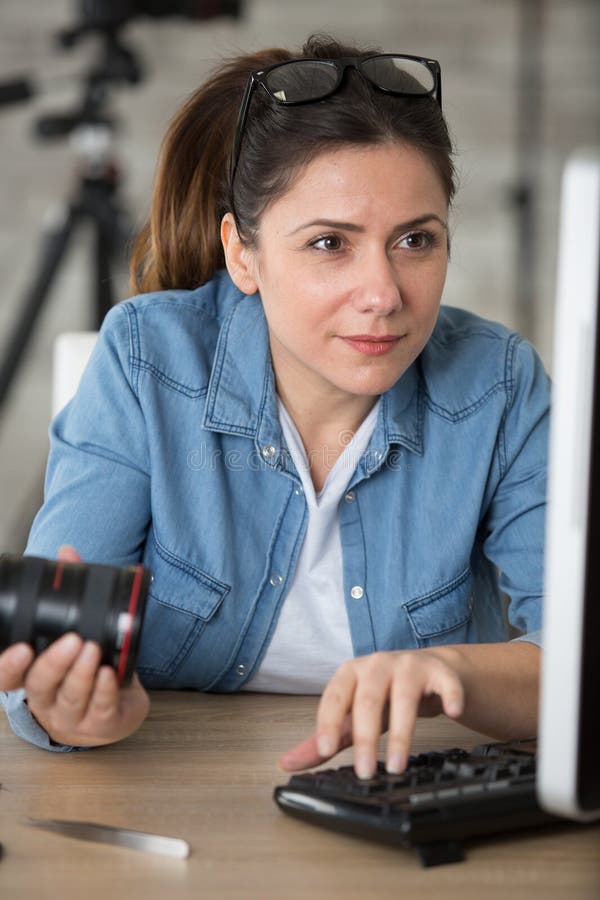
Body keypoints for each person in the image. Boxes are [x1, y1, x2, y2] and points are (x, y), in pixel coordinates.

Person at [0, 35, 549, 780]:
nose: (384, 295)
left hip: (401, 798)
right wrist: (79, 711)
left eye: (416, 240)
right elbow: (41, 670)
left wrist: (451, 673)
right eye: (330, 243)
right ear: (242, 254)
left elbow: (579, 663)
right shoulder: (145, 361)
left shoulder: (499, 385)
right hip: (172, 794)